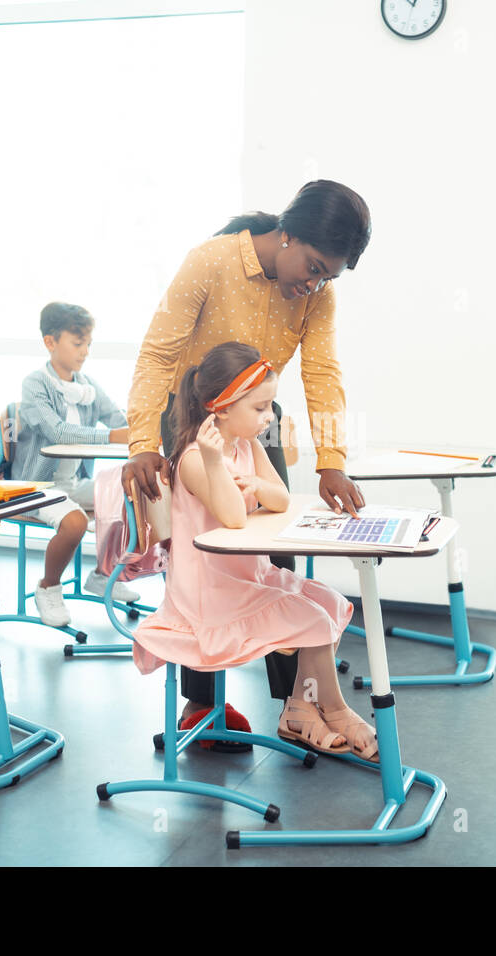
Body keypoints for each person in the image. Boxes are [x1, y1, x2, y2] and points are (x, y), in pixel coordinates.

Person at [121, 180, 373, 740]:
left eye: (327, 276)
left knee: (273, 547)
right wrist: (142, 443)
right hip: (191, 418)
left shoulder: (317, 296)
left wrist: (332, 459)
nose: (314, 283)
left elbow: (322, 374)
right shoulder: (211, 262)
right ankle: (200, 704)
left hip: (258, 419)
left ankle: (298, 702)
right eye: (312, 267)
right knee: (200, 550)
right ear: (287, 234)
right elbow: (159, 352)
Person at [131, 342, 377, 761]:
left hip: (249, 578)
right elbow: (232, 517)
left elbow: (279, 498)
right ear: (222, 408)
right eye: (261, 408)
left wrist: (262, 488)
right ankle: (331, 708)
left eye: (270, 407)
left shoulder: (249, 446)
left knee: (329, 603)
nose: (269, 417)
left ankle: (300, 708)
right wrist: (213, 461)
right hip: (208, 593)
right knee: (313, 619)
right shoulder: (195, 457)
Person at [13, 302, 138, 628]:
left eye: (88, 345)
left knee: (130, 499)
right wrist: (112, 435)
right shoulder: (35, 384)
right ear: (50, 342)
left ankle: (103, 575)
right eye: (77, 343)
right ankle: (48, 587)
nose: (84, 352)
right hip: (35, 486)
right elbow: (57, 431)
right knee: (74, 523)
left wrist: (139, 426)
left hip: (71, 484)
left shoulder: (87, 386)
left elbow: (118, 419)